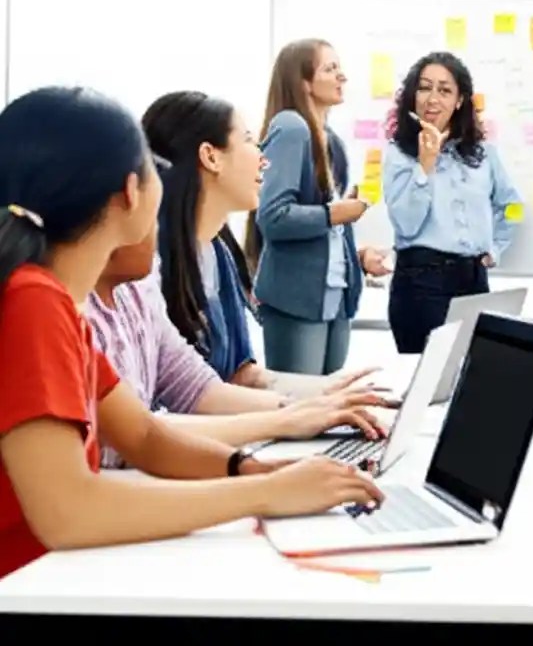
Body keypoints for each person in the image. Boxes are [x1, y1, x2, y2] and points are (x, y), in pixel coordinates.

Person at [0, 86, 383, 580]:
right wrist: (263, 495)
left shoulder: (53, 304)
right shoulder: (32, 302)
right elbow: (69, 511)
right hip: (28, 594)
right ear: (131, 191)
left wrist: (253, 470)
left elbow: (144, 434)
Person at [86, 225, 388, 469]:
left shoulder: (141, 283)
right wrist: (285, 422)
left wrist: (307, 407)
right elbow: (134, 438)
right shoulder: (69, 309)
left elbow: (195, 387)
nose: (262, 159)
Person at [143, 90, 377, 397]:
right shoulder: (148, 268)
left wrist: (329, 391)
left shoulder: (219, 254)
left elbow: (242, 374)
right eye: (250, 140)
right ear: (211, 157)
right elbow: (187, 402)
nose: (264, 158)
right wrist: (308, 409)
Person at [246, 39, 386, 375]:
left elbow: (328, 231)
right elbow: (274, 217)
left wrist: (359, 256)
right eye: (330, 68)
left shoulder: (332, 141)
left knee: (323, 406)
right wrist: (336, 214)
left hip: (334, 295)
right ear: (303, 82)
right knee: (301, 411)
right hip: (296, 298)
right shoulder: (292, 127)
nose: (342, 77)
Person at [381, 52, 522, 353]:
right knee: (428, 385)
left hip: (473, 278)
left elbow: (513, 206)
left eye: (444, 90)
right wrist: (425, 166)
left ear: (459, 101)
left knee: (472, 377)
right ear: (412, 96)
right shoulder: (399, 154)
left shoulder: (482, 153)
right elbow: (406, 224)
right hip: (421, 281)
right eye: (424, 88)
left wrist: (496, 247)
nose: (433, 99)